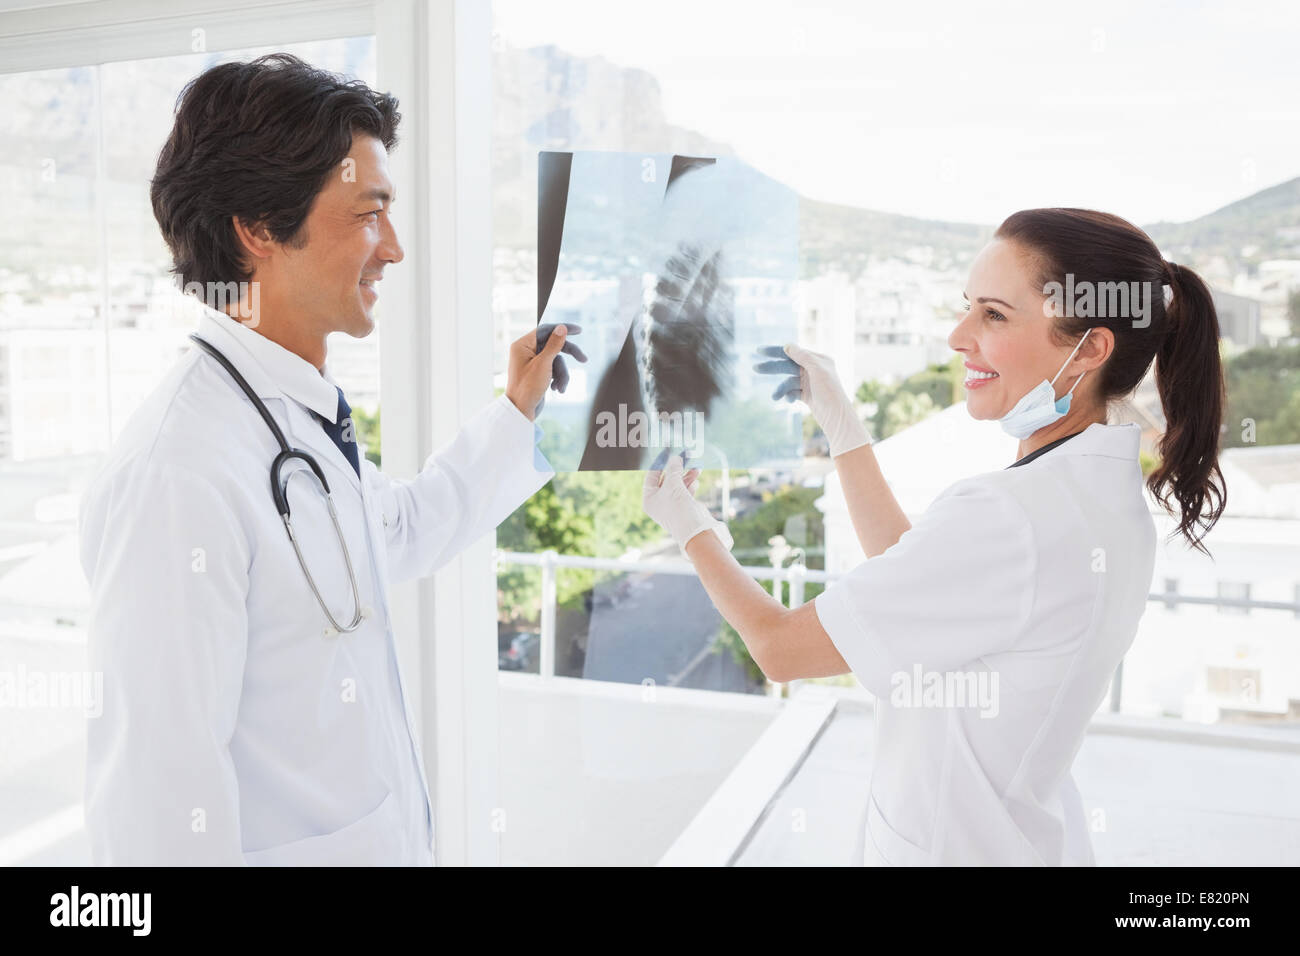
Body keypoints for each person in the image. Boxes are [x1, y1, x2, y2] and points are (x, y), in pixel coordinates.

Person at [77, 54, 583, 865]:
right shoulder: (176, 474)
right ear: (258, 228)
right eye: (369, 214)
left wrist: (518, 408)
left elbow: (404, 528)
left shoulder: (292, 422)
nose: (395, 251)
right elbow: (154, 818)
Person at [643, 207, 1227, 865]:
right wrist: (843, 427)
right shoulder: (1095, 496)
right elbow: (921, 581)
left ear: (1089, 348)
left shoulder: (1016, 513)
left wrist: (691, 528)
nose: (958, 336)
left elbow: (781, 650)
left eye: (994, 315)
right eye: (967, 307)